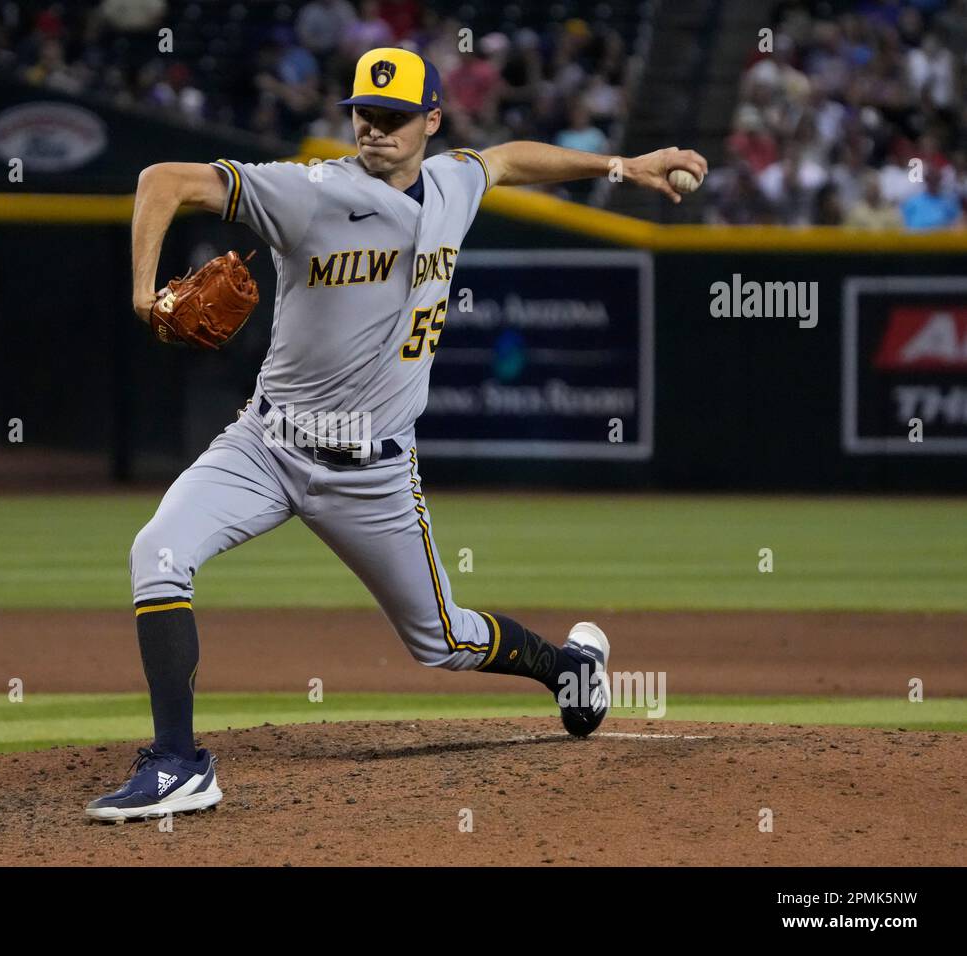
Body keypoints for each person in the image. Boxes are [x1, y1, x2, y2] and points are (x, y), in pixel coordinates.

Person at [90, 47, 708, 822]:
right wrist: (146, 294)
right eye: (364, 114)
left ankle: (568, 667)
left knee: (440, 638)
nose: (375, 129)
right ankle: (179, 763)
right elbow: (162, 181)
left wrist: (624, 165)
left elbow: (509, 161)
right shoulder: (307, 191)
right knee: (157, 552)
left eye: (394, 117)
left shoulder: (453, 182)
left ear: (432, 122)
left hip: (372, 472)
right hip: (265, 445)